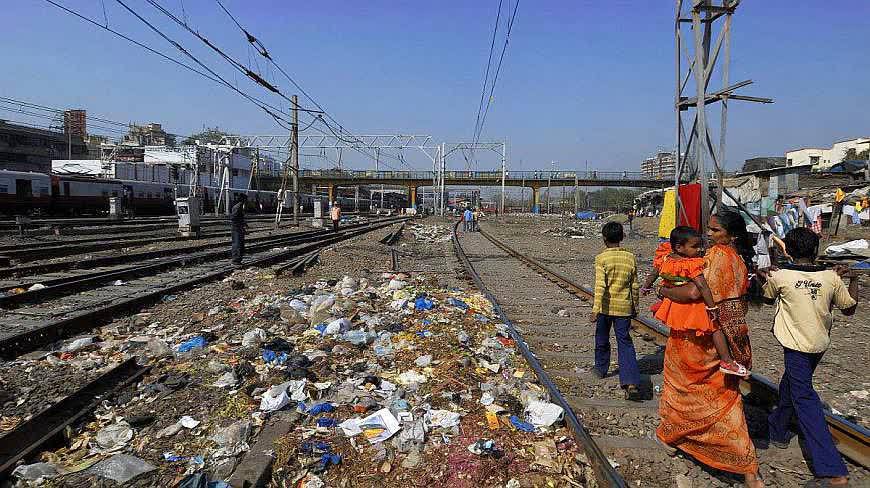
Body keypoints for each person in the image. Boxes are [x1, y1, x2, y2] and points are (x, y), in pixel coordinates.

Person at [655, 210, 762, 487]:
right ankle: (747, 466)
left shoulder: (714, 258)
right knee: (725, 398)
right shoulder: (739, 261)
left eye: (715, 231)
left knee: (681, 390)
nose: (709, 236)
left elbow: (693, 293)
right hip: (726, 337)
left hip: (696, 339)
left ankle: (672, 435)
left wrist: (663, 291)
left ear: (732, 235)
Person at [759, 227, 857, 487]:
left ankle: (832, 470)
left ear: (787, 250)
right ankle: (778, 429)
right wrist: (854, 280)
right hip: (818, 344)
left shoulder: (781, 277)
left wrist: (763, 278)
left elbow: (767, 299)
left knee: (805, 398)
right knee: (792, 385)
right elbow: (849, 309)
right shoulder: (831, 278)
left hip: (796, 346)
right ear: (816, 250)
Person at [653, 226, 749, 376]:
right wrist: (712, 308)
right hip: (693, 308)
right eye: (695, 246)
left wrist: (655, 288)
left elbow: (656, 272)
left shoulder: (666, 258)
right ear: (679, 247)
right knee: (714, 328)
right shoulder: (692, 263)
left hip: (674, 307)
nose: (699, 250)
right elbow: (699, 289)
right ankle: (727, 361)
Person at [589, 221, 642, 402]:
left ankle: (601, 369)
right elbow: (634, 286)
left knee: (602, 338)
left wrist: (595, 309)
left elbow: (600, 286)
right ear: (622, 237)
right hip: (624, 308)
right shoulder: (630, 257)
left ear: (604, 238)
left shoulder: (601, 258)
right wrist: (635, 305)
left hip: (605, 308)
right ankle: (631, 382)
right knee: (625, 342)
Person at [230, 194, 247, 265]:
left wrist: (244, 224)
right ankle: (236, 260)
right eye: (246, 199)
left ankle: (237, 259)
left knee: (238, 243)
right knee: (237, 244)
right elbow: (234, 217)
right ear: (243, 199)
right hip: (237, 228)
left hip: (237, 228)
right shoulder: (239, 206)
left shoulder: (237, 206)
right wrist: (241, 224)